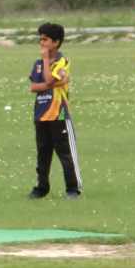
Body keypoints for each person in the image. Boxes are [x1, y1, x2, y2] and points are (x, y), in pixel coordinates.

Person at [29, 22, 82, 200]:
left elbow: (49, 79)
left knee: (66, 153)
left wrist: (47, 71)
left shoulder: (62, 61)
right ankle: (41, 187)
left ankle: (73, 188)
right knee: (43, 154)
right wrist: (49, 83)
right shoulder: (37, 64)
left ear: (56, 42)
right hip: (41, 114)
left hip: (59, 114)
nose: (41, 43)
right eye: (40, 39)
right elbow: (34, 87)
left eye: (45, 39)